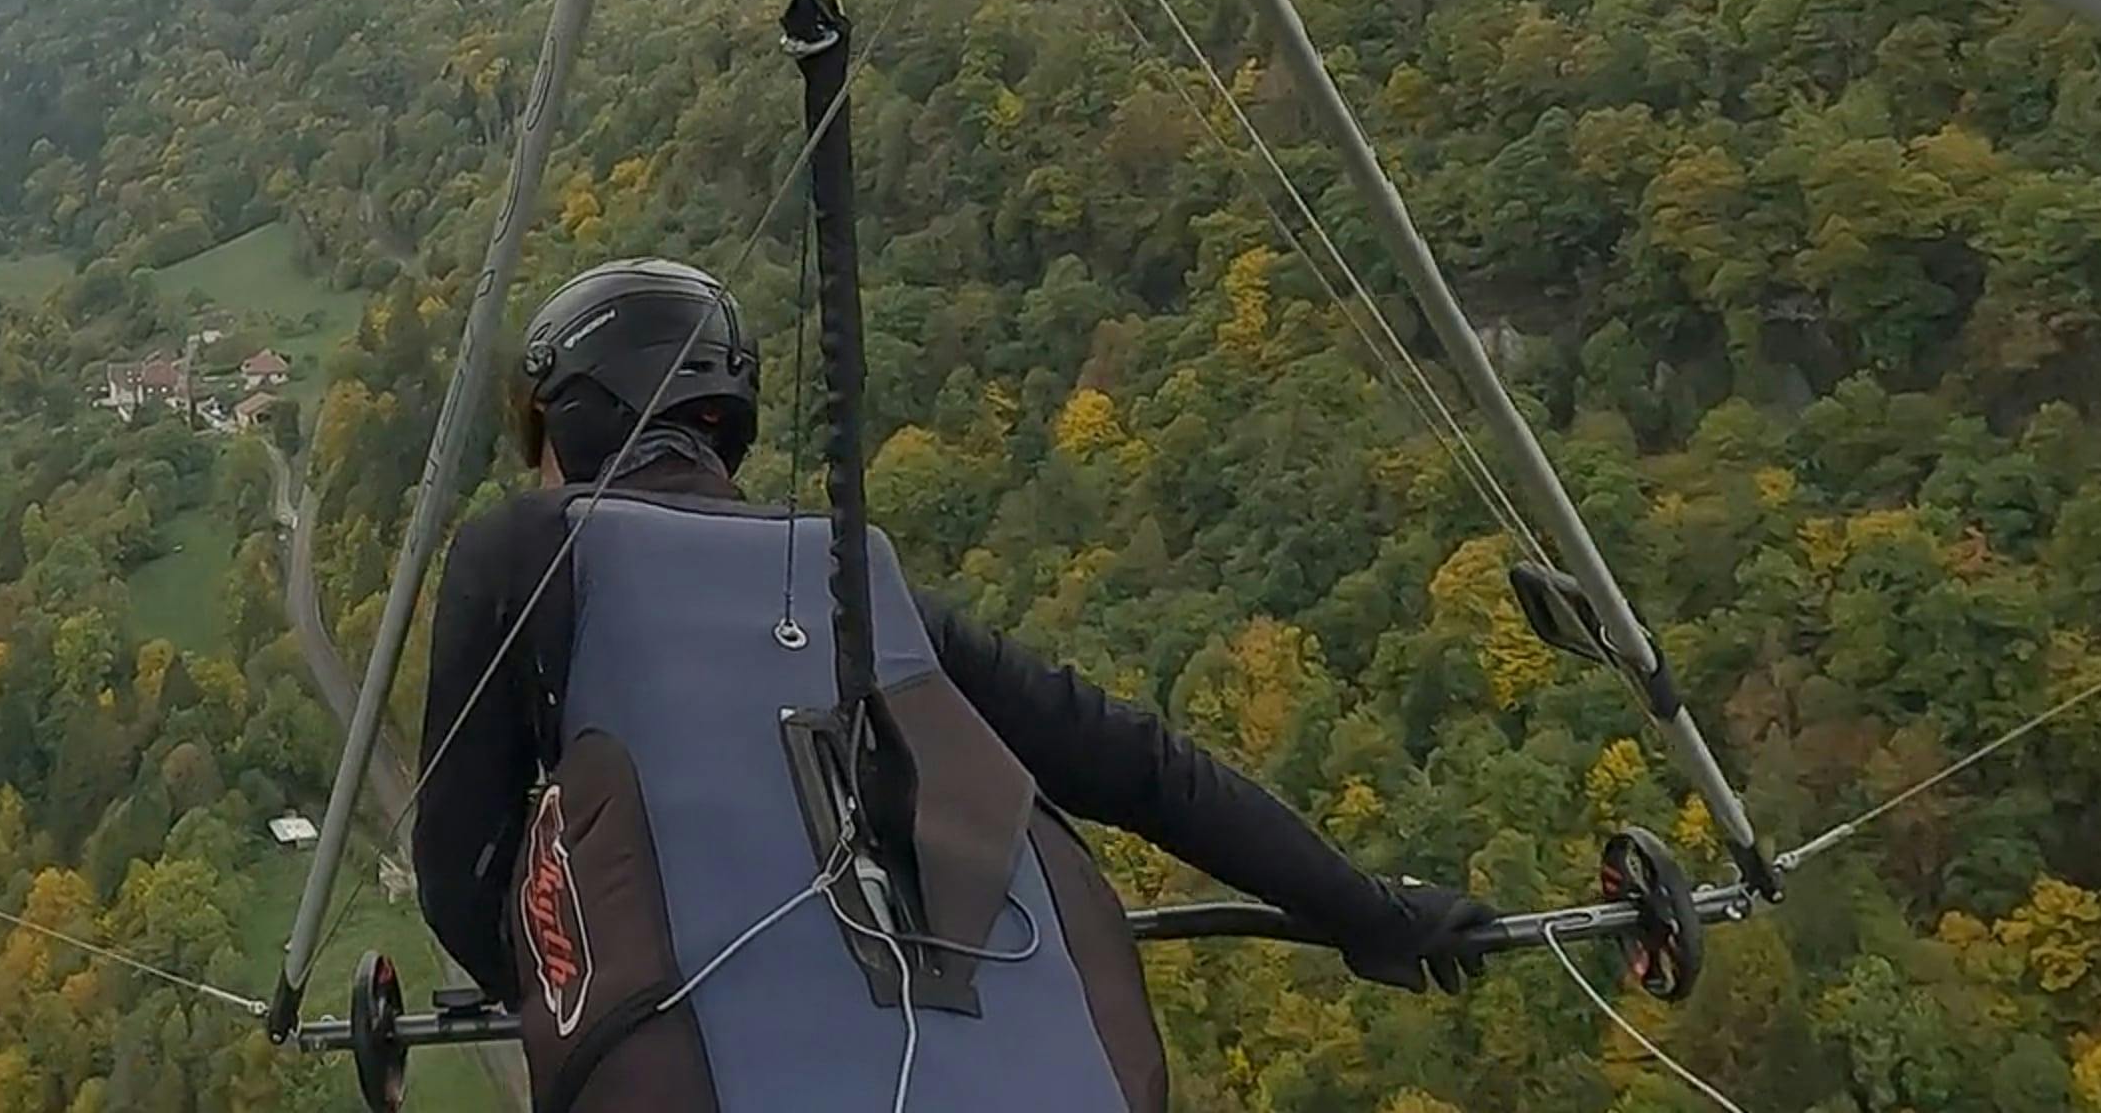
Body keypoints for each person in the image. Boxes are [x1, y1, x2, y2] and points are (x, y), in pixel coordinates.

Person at [415, 258, 1497, 1113]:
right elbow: (1142, 769)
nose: (538, 466)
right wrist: (1368, 912)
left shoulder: (526, 548)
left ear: (580, 415)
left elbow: (462, 878)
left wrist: (555, 1002)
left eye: (538, 438)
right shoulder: (862, 580)